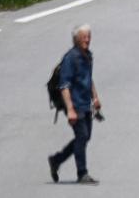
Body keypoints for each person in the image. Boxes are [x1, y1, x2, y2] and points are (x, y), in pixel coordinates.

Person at [48, 24, 101, 185]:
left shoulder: (87, 56)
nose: (87, 39)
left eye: (89, 36)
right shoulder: (70, 58)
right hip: (74, 104)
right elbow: (64, 86)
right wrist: (70, 109)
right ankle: (82, 173)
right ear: (76, 39)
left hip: (85, 104)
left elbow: (88, 78)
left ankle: (56, 160)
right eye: (84, 37)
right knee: (82, 136)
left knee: (84, 137)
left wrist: (95, 98)